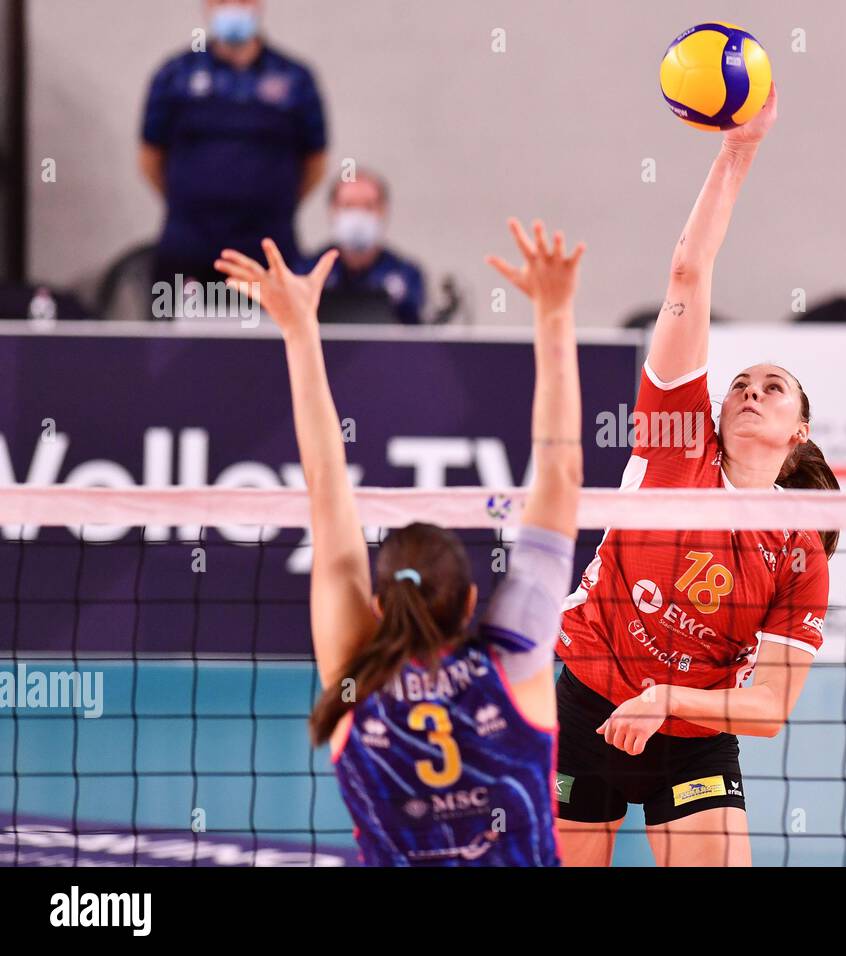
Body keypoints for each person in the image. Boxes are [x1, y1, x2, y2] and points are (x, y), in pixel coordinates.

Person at [214, 218, 585, 865]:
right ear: (470, 602)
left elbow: (328, 488)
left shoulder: (353, 679)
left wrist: (300, 330)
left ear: (380, 605)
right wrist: (554, 314)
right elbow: (561, 469)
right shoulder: (516, 659)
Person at [552, 86, 839, 867]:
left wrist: (670, 701)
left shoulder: (796, 550)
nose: (750, 392)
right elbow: (688, 271)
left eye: (772, 388)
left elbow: (771, 707)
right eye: (741, 384)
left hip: (690, 734)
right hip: (584, 700)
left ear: (797, 432)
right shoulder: (676, 444)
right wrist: (740, 146)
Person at [141, 0, 327, 305]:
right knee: (176, 348)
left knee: (270, 346)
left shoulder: (295, 79)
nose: (233, 7)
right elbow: (149, 158)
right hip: (188, 246)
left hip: (267, 245)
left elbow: (315, 162)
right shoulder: (175, 76)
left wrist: (269, 203)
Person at [312, 170, 428, 324]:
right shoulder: (309, 271)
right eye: (348, 206)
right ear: (332, 210)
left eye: (368, 206)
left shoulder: (407, 274)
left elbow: (415, 330)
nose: (358, 216)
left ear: (383, 211)